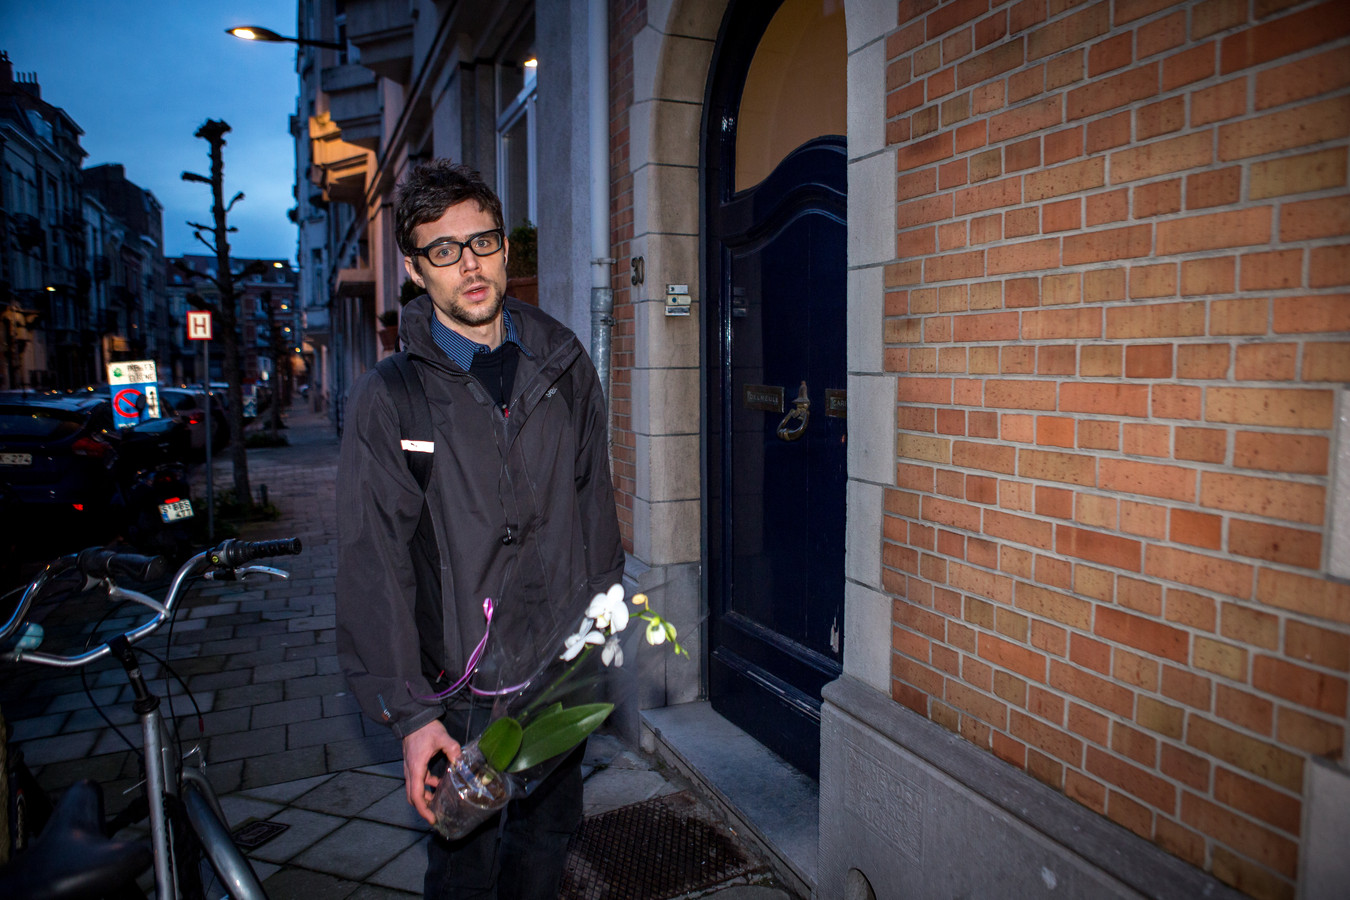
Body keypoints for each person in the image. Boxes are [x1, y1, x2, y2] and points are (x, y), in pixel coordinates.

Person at [335, 160, 625, 899]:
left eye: (482, 241)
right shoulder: (391, 400)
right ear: (414, 269)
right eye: (443, 249)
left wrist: (597, 638)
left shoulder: (563, 364)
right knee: (466, 867)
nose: (469, 264)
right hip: (458, 692)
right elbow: (374, 567)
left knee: (548, 841)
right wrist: (411, 715)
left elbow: (594, 510)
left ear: (504, 246)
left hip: (555, 671)